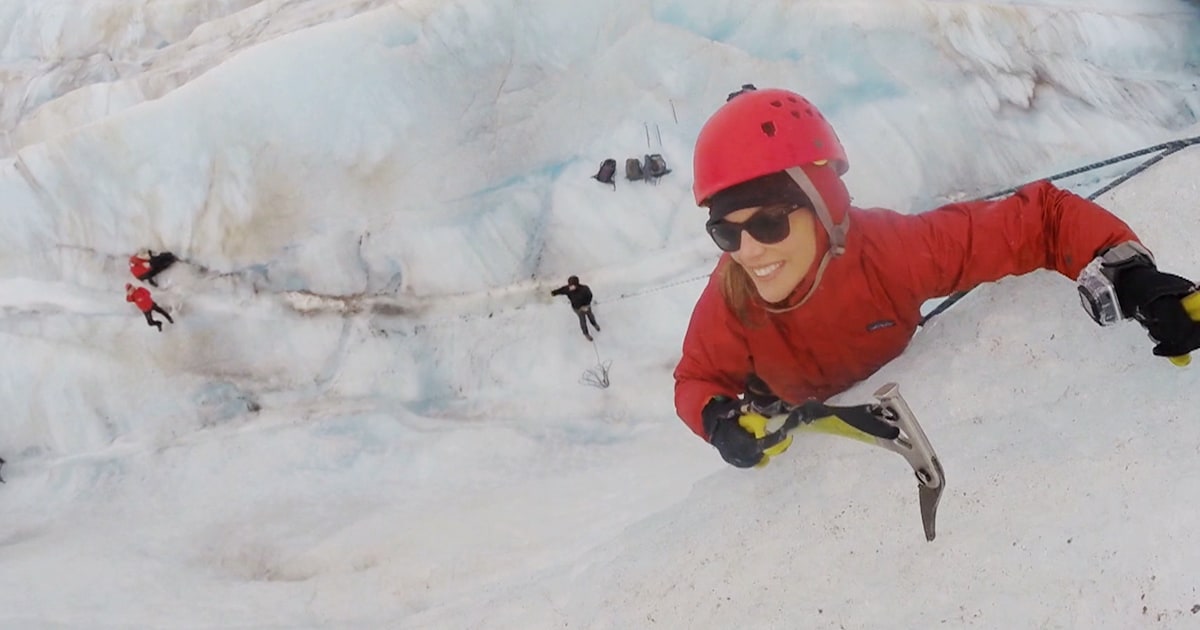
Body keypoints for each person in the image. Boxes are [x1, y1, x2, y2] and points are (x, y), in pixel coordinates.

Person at [675, 87, 1200, 469]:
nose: (747, 251)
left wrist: (1129, 275)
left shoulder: (891, 252)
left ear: (822, 205)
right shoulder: (732, 297)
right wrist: (717, 420)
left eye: (768, 222)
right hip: (818, 452)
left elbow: (1041, 221)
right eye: (725, 232)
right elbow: (697, 377)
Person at [551, 275, 602, 341]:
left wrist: (586, 305)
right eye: (570, 285)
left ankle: (594, 324)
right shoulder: (567, 289)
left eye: (573, 285)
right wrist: (553, 293)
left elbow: (590, 296)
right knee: (582, 321)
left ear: (577, 284)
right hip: (577, 309)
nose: (571, 287)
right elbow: (560, 291)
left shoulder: (585, 289)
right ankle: (586, 333)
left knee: (591, 316)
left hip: (586, 307)